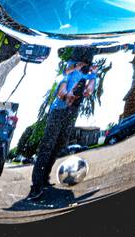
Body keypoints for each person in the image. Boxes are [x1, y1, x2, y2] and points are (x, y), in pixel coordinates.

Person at [27, 57, 97, 201]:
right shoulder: (71, 69)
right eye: (83, 64)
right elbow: (61, 89)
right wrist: (66, 92)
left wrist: (93, 75)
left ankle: (45, 177)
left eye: (86, 65)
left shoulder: (88, 74)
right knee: (48, 144)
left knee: (59, 144)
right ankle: (36, 186)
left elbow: (90, 89)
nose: (85, 67)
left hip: (71, 112)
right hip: (59, 109)